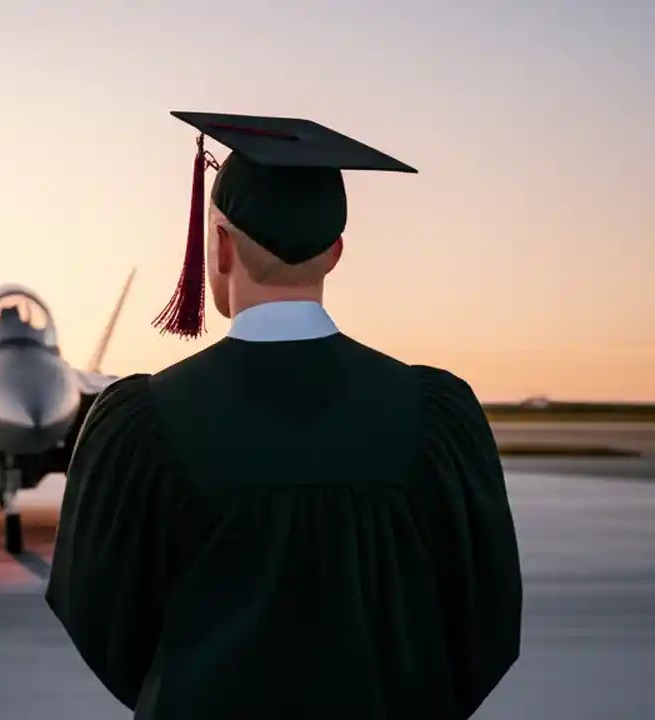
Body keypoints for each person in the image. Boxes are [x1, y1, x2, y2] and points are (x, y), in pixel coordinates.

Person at [46, 112, 522, 719]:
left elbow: (103, 622)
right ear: (335, 252)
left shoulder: (146, 421)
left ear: (219, 246)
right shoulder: (434, 416)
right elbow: (485, 623)